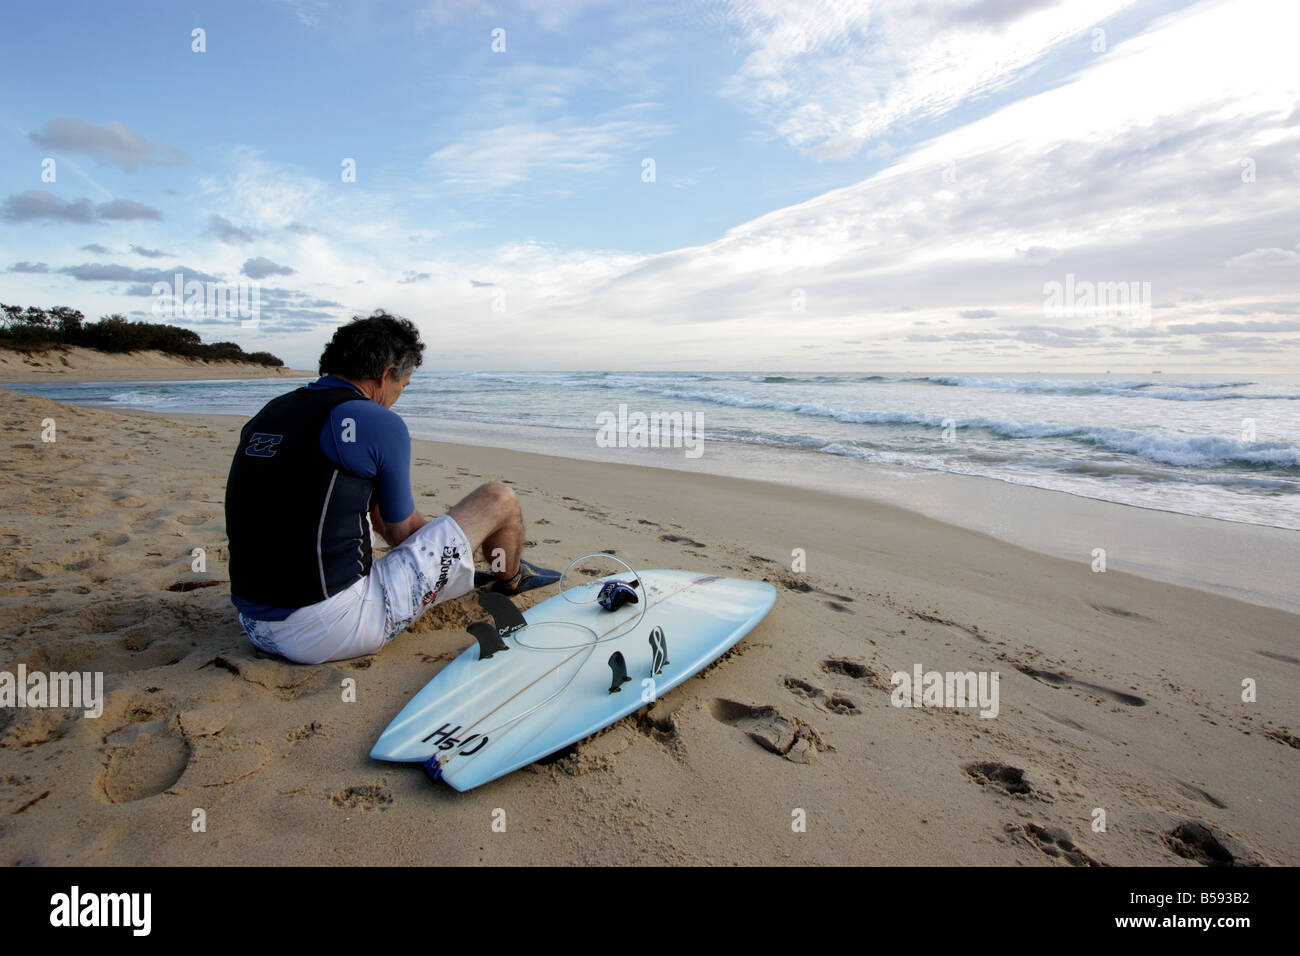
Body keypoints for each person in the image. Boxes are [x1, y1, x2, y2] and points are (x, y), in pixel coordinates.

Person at [223, 310, 549, 664]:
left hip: (253, 624)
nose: (397, 396)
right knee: (498, 499)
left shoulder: (272, 410)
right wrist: (452, 549)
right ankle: (513, 577)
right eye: (402, 386)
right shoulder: (377, 421)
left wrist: (440, 551)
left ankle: (475, 573)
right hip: (328, 629)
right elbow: (402, 531)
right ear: (384, 376)